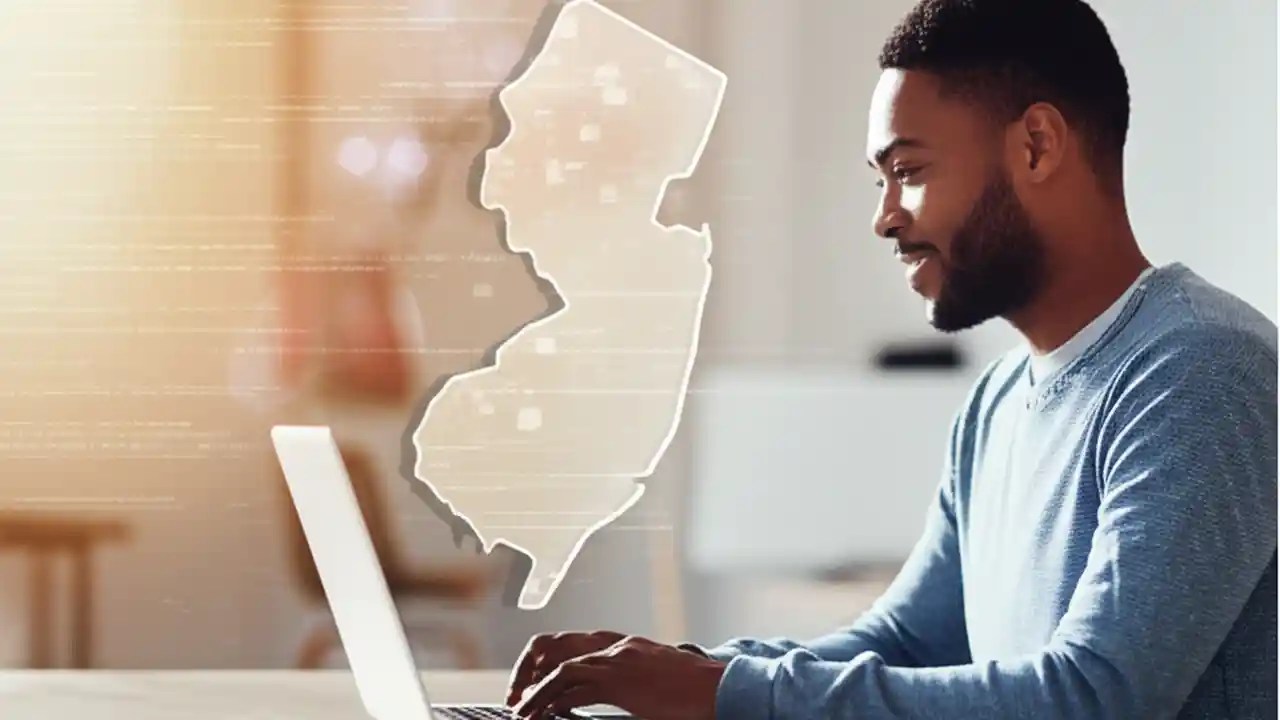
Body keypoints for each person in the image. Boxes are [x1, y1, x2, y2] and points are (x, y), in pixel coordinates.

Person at [505, 0, 1278, 717]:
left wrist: (725, 691)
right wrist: (662, 672)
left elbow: (1092, 696)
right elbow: (908, 641)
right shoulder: (999, 400)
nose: (884, 219)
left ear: (1036, 146)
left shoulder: (1203, 371)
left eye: (908, 172)